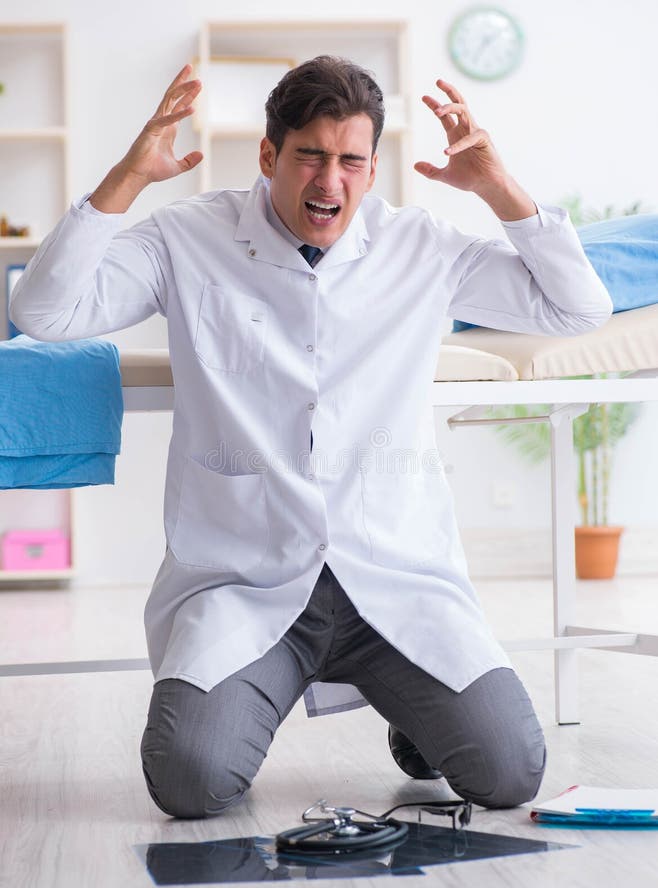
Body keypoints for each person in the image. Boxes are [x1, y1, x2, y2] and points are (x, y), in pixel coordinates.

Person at [11, 57, 612, 819]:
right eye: (310, 156)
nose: (330, 182)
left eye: (351, 161)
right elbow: (45, 313)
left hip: (391, 583)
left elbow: (576, 311)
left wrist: (498, 187)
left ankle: (413, 718)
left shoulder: (418, 247)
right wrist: (123, 182)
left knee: (509, 775)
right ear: (269, 156)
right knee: (191, 783)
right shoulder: (187, 238)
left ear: (370, 167)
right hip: (246, 586)